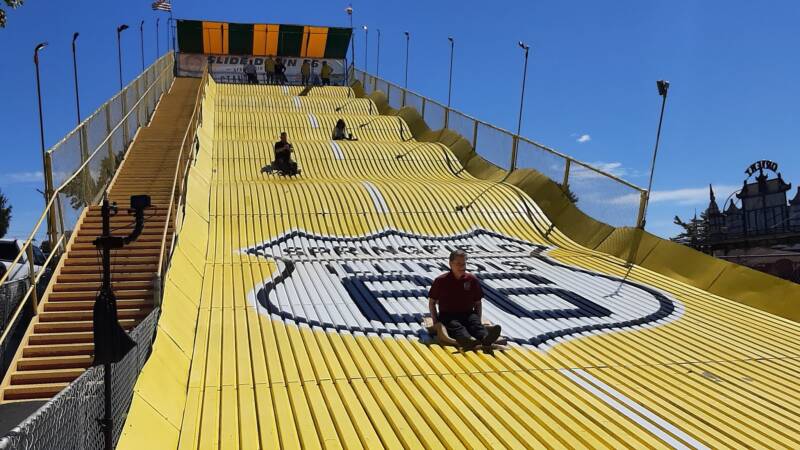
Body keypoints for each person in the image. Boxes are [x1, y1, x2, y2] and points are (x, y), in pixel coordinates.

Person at [428, 250, 501, 349]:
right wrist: (436, 322)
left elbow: (478, 303)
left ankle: (485, 338)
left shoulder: (471, 279)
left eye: (464, 264)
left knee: (475, 324)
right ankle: (467, 340)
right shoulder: (441, 280)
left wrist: (478, 320)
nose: (462, 267)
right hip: (448, 315)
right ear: (450, 264)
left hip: (468, 313)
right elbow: (432, 302)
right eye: (458, 264)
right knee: (456, 327)